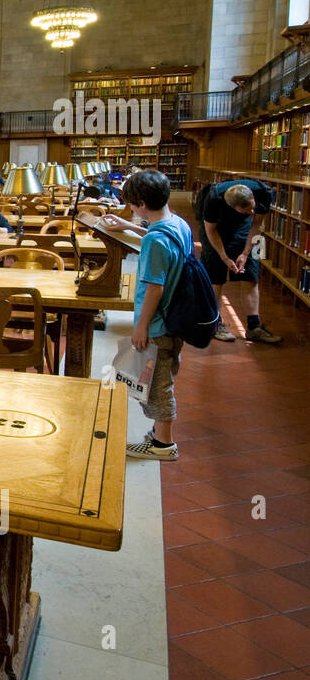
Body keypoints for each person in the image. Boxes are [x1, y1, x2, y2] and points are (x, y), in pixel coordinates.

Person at [101, 169, 193, 461]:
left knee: (158, 384)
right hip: (176, 317)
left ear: (140, 203)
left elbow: (154, 287)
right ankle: (158, 434)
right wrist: (129, 228)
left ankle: (163, 445)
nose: (129, 208)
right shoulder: (178, 224)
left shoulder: (155, 241)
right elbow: (158, 237)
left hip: (158, 323)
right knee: (164, 375)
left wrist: (141, 327)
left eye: (131, 204)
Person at [200, 179, 280, 343]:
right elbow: (210, 230)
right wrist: (224, 257)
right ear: (233, 208)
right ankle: (216, 324)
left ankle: (254, 327)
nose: (252, 211)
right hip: (215, 231)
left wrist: (245, 253)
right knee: (216, 279)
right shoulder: (213, 199)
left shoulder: (263, 192)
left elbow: (258, 224)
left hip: (246, 229)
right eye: (246, 210)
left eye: (253, 207)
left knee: (252, 275)